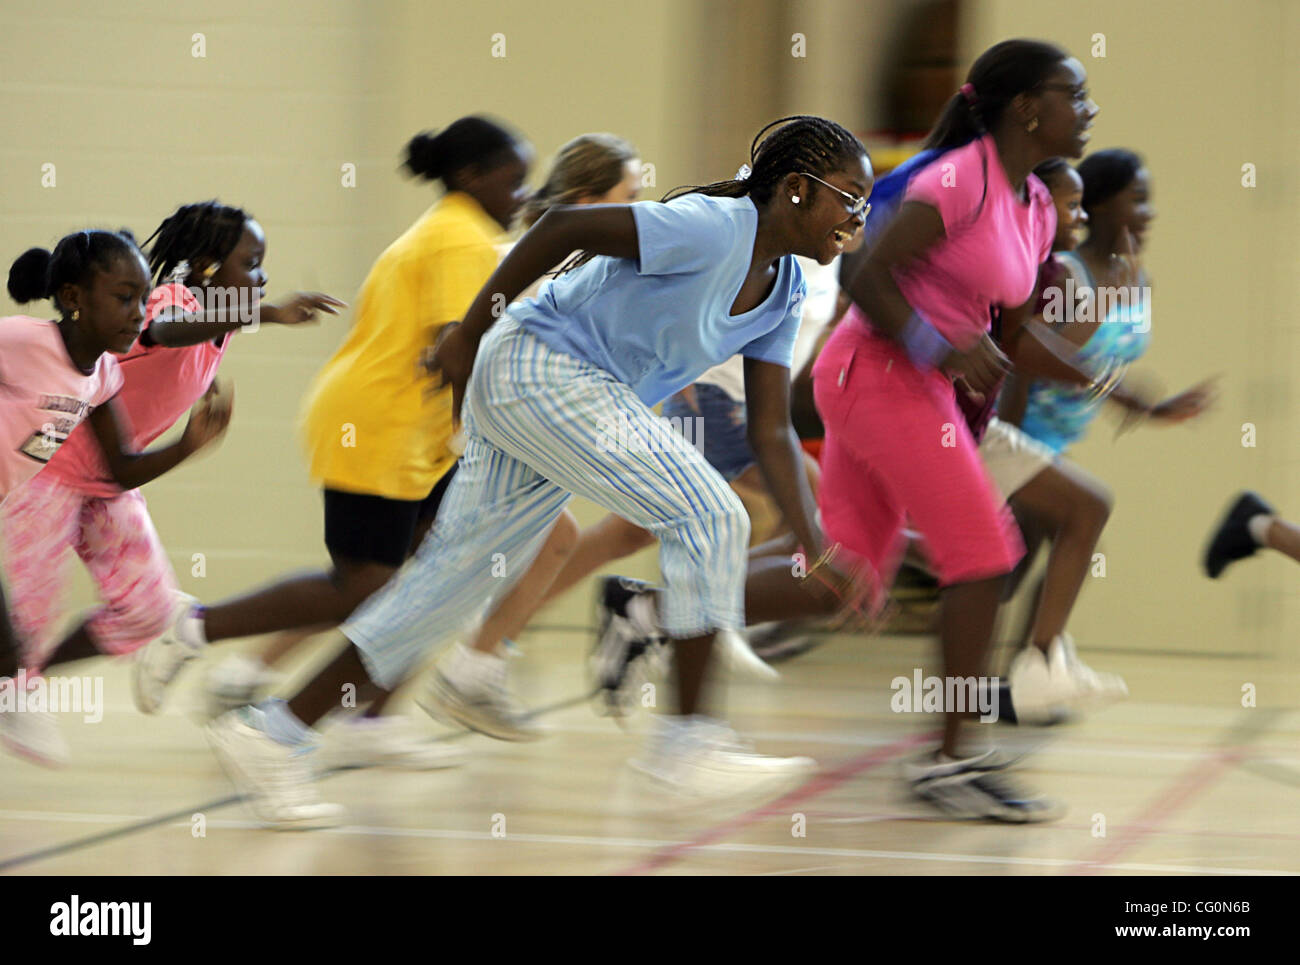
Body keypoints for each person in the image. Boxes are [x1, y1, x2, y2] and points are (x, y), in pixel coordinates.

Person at [206, 114, 872, 827]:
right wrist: (468, 330)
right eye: (850, 201)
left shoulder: (786, 292)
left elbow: (771, 430)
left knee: (442, 587)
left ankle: (271, 733)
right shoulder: (712, 226)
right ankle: (688, 741)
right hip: (538, 364)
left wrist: (816, 543)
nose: (857, 222)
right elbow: (560, 230)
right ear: (797, 190)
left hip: (562, 391)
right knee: (710, 514)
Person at [141, 116, 532, 775]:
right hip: (379, 424)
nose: (523, 193)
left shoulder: (464, 231)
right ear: (471, 177)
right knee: (363, 586)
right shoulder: (460, 237)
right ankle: (193, 629)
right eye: (514, 179)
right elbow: (453, 351)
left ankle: (370, 718)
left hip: (417, 430)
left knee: (434, 575)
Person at [0, 228, 230, 763]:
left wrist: (187, 447)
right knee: (12, 641)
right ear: (75, 298)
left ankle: (18, 687)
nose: (137, 314)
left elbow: (121, 470)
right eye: (125, 299)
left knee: (13, 645)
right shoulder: (23, 340)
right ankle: (16, 689)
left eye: (142, 300)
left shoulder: (102, 375)